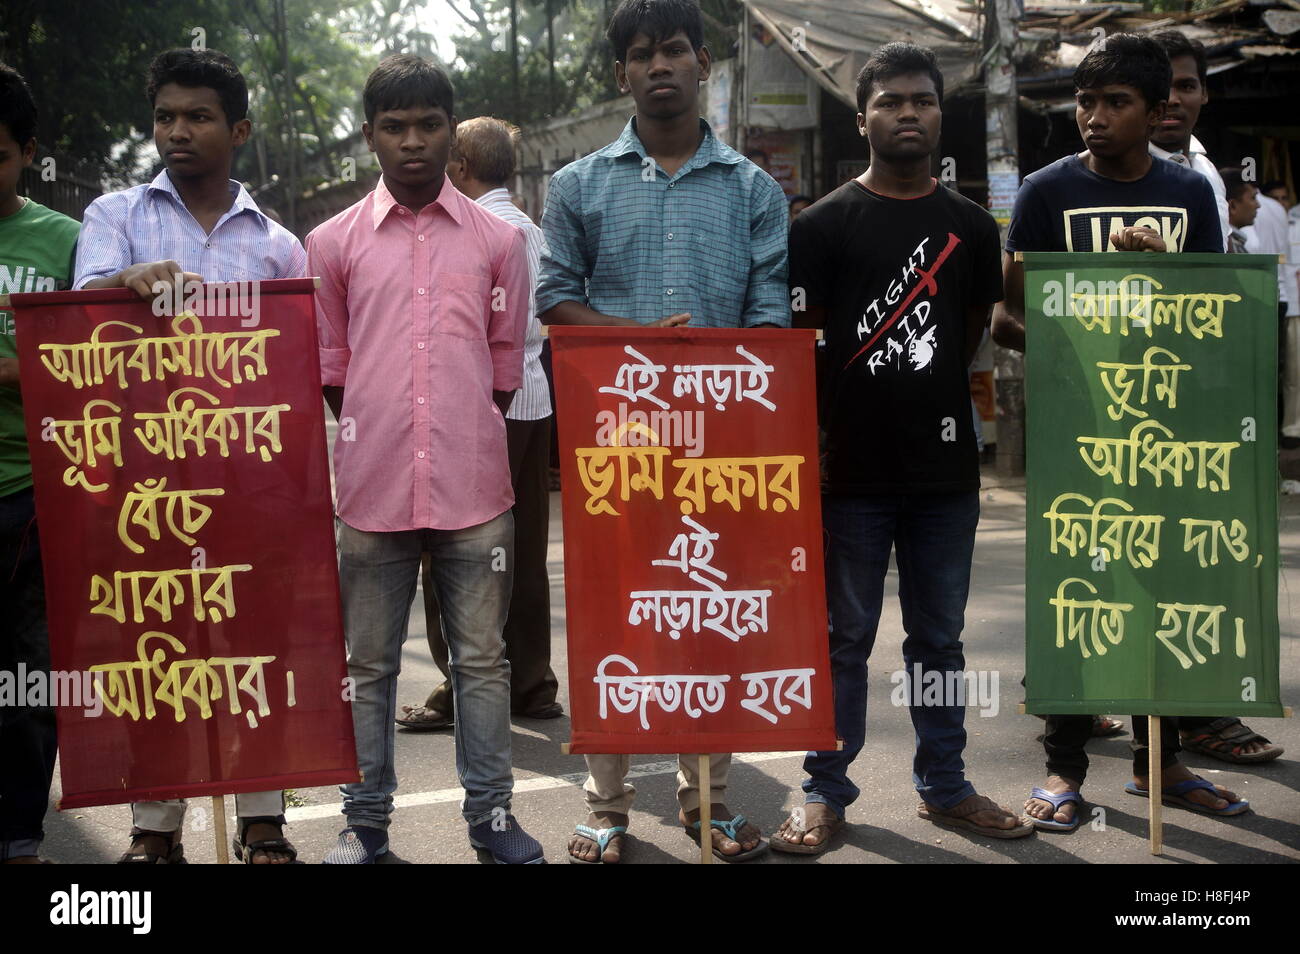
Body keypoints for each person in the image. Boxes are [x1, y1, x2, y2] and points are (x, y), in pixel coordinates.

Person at [538, 0, 788, 863]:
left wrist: (707, 358)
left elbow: (766, 320)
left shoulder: (753, 189)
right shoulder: (576, 184)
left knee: (707, 619)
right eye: (640, 55)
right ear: (622, 74)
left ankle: (709, 801)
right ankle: (605, 807)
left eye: (674, 50)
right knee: (614, 620)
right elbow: (554, 301)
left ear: (703, 61)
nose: (659, 66)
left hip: (719, 450)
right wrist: (637, 346)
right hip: (615, 446)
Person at [772, 42, 1030, 854]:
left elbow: (968, 344)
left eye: (922, 99)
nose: (908, 112)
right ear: (864, 117)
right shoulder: (818, 227)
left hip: (945, 475)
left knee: (939, 640)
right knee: (841, 637)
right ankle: (824, 790)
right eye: (891, 101)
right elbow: (802, 349)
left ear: (939, 113)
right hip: (847, 473)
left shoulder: (967, 227)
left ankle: (945, 785)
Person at [992, 34, 1248, 830]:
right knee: (1081, 593)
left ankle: (1161, 762)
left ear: (1156, 109)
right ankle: (1064, 769)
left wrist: (1158, 282)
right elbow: (1005, 317)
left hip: (1168, 436)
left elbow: (1211, 316)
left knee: (1163, 595)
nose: (1094, 118)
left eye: (1115, 103)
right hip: (1078, 435)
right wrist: (1081, 332)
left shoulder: (1188, 195)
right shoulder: (1044, 192)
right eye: (1084, 102)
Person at [309, 55, 542, 864]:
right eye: (394, 127)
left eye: (429, 125)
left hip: (477, 493)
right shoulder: (329, 244)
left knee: (482, 662)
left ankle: (493, 819)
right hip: (369, 493)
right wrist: (384, 435)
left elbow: (505, 369)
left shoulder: (498, 242)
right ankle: (363, 825)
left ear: (453, 130)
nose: (413, 143)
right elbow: (332, 368)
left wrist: (456, 435)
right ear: (369, 135)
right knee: (367, 667)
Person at [74, 47, 306, 864]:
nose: (178, 131)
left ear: (238, 129)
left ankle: (263, 819)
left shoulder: (281, 247)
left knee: (254, 651)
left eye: (198, 116)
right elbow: (78, 332)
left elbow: (294, 372)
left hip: (251, 482)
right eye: (166, 116)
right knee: (160, 652)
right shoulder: (117, 217)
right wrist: (127, 281)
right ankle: (155, 827)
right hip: (148, 482)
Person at [397, 116, 562, 730]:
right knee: (520, 548)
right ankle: (532, 683)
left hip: (483, 401)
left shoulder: (477, 231)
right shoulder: (531, 229)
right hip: (533, 397)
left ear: (458, 168)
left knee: (451, 545)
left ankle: (458, 685)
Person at [0, 63, 80, 866]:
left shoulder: (64, 241)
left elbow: (81, 371)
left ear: (27, 153)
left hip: (33, 494)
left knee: (30, 682)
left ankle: (20, 837)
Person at [1148, 30, 1229, 251]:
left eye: (1186, 86)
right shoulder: (1121, 172)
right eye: (1160, 87)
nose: (1172, 99)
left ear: (1204, 92)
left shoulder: (1207, 169)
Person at [1223, 167, 1259, 253]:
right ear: (1233, 206)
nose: (1258, 205)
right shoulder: (1227, 246)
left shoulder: (1231, 242)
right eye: (1253, 198)